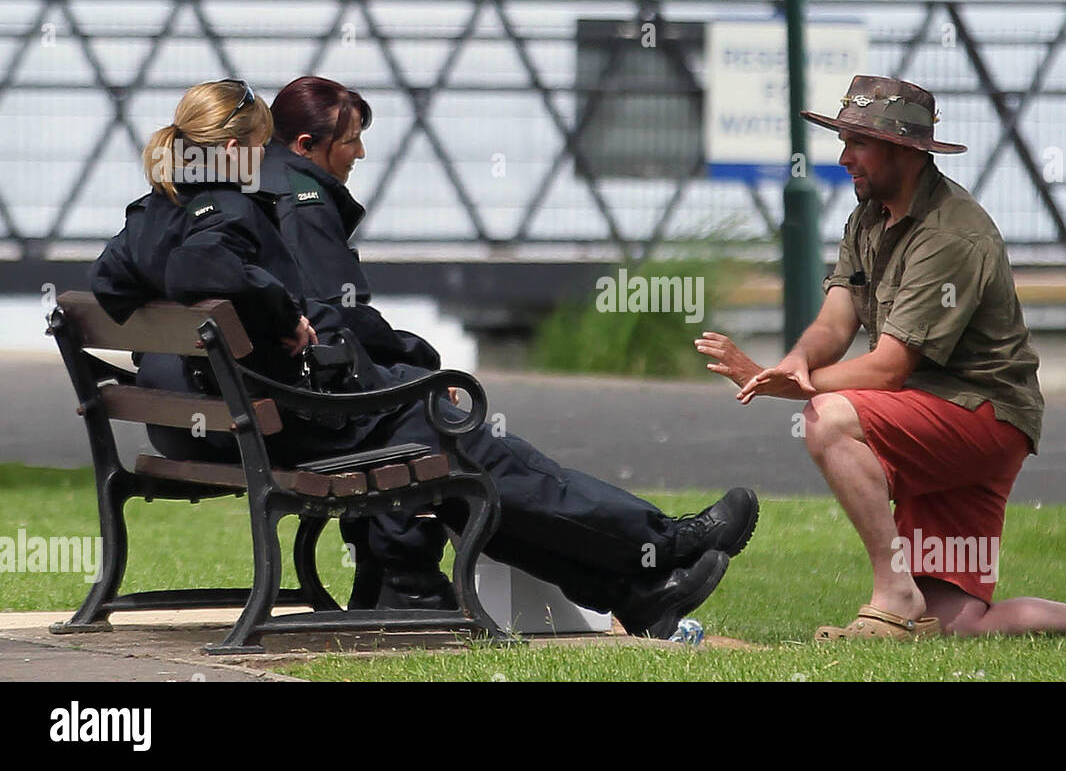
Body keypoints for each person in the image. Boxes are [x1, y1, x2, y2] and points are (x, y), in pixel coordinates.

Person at [91, 79, 756, 638]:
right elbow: (201, 268)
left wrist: (269, 307)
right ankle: (660, 546)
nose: (267, 165)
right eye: (260, 150)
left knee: (461, 454)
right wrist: (278, 308)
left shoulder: (154, 211)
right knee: (473, 443)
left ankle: (633, 587)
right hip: (287, 424)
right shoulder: (227, 210)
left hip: (201, 425)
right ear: (235, 151)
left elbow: (107, 285)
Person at [696, 75, 1066, 642]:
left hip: (983, 417)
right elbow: (835, 320)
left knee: (828, 418)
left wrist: (790, 387)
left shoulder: (951, 234)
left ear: (904, 149)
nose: (843, 155)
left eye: (858, 142)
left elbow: (887, 369)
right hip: (933, 414)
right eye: (843, 138)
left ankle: (893, 596)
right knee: (955, 620)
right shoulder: (868, 217)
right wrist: (794, 363)